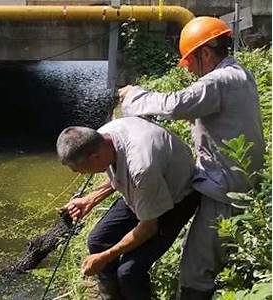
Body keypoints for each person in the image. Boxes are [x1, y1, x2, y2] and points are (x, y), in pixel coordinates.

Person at [118, 17, 265, 299]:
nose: (191, 72)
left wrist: (133, 97)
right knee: (212, 258)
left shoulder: (216, 81)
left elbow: (175, 104)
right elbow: (208, 112)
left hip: (223, 192)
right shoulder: (239, 73)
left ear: (206, 53)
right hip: (238, 184)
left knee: (196, 272)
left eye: (191, 62)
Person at [57, 117, 201, 300]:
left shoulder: (141, 166)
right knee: (97, 240)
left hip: (175, 200)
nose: (82, 174)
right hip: (146, 191)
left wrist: (105, 257)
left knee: (129, 271)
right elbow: (121, 174)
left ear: (94, 158)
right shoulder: (102, 139)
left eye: (81, 169)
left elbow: (148, 228)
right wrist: (89, 199)